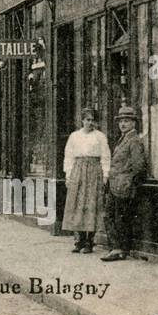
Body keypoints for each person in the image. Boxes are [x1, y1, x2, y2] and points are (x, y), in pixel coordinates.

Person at [102, 106, 148, 262]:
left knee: (118, 217)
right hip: (115, 185)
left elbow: (139, 166)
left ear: (134, 123)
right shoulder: (123, 139)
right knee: (111, 216)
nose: (123, 124)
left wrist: (129, 182)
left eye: (127, 121)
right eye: (121, 121)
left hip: (123, 186)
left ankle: (118, 249)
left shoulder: (134, 140)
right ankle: (118, 248)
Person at [62, 108, 110, 254]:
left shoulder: (100, 136)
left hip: (94, 170)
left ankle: (90, 241)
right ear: (82, 120)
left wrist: (105, 174)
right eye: (87, 119)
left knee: (91, 204)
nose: (90, 123)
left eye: (92, 120)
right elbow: (69, 156)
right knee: (78, 204)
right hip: (78, 170)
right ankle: (79, 240)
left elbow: (105, 156)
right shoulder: (74, 136)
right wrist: (68, 175)